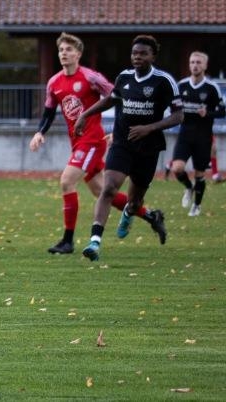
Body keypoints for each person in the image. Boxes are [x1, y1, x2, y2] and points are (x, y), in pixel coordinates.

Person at [29, 33, 162, 254]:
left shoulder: (91, 77)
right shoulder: (54, 82)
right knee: (101, 191)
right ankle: (151, 215)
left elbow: (118, 97)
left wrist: (117, 131)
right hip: (77, 142)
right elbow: (49, 112)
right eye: (61, 50)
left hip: (92, 141)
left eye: (69, 50)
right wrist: (40, 132)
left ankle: (67, 241)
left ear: (78, 54)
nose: (64, 53)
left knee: (66, 181)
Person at [75, 35, 182, 262]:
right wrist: (85, 113)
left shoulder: (164, 81)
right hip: (122, 143)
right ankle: (94, 242)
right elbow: (111, 100)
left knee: (134, 203)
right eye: (134, 53)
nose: (137, 57)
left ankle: (133, 213)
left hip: (148, 147)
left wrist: (149, 127)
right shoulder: (124, 77)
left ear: (153, 56)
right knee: (109, 188)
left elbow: (178, 115)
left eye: (143, 53)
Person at [170, 52, 226, 216]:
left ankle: (197, 206)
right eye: (192, 62)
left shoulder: (211, 88)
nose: (195, 65)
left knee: (200, 174)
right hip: (185, 134)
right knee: (177, 168)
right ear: (189, 65)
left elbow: (222, 111)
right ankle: (188, 187)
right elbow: (173, 106)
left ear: (205, 66)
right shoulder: (181, 86)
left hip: (203, 136)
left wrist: (207, 113)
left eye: (198, 62)